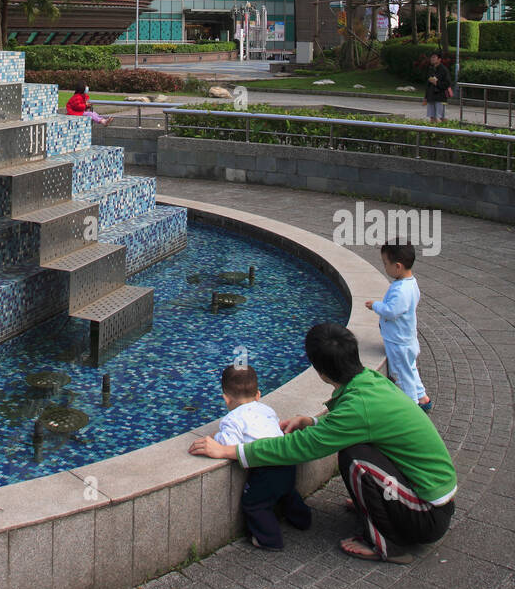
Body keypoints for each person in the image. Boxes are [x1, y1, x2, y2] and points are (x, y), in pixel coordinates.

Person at [189, 322, 456, 563]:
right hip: (429, 500)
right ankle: (381, 502)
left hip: (427, 514)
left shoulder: (358, 406)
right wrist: (312, 421)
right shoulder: (371, 381)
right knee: (354, 451)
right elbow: (354, 422)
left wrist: (230, 450)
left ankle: (387, 546)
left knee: (356, 461)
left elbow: (296, 447)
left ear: (322, 373)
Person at [215, 363, 312, 550]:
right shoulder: (267, 410)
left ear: (226, 399)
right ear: (258, 395)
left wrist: (215, 438)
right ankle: (302, 519)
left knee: (254, 503)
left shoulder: (232, 419)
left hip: (267, 469)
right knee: (287, 491)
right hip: (287, 460)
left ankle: (269, 539)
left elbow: (229, 445)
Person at [366, 241, 431, 410]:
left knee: (401, 375)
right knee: (410, 370)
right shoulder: (411, 283)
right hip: (407, 339)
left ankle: (412, 407)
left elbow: (391, 311)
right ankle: (422, 396)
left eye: (385, 264)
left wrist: (375, 305)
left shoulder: (401, 289)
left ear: (398, 267)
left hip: (398, 342)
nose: (384, 267)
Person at [424, 52, 452, 122]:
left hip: (440, 96)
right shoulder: (431, 69)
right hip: (431, 96)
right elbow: (428, 84)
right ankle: (432, 131)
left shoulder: (444, 70)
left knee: (441, 117)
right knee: (432, 117)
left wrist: (437, 83)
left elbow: (447, 83)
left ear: (439, 59)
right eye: (431, 57)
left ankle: (447, 129)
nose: (432, 59)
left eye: (434, 57)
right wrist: (426, 97)